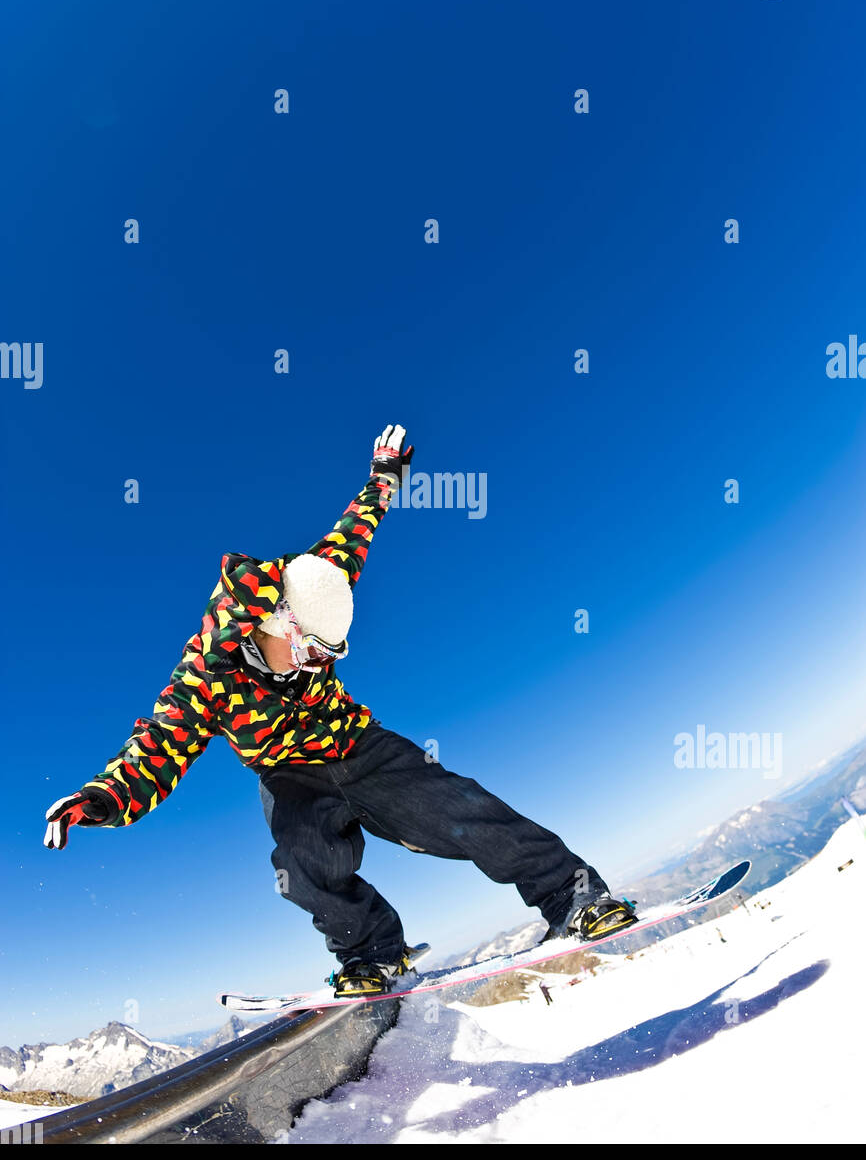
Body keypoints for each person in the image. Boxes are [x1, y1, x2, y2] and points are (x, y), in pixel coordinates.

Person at [44, 425, 637, 997]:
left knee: (464, 813)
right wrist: (101, 800)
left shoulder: (318, 582)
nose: (309, 664)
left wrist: (384, 476)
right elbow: (154, 751)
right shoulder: (202, 679)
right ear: (270, 622)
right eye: (306, 649)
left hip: (358, 744)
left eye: (324, 656)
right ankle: (372, 954)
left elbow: (357, 528)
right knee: (304, 869)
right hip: (288, 773)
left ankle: (572, 895)